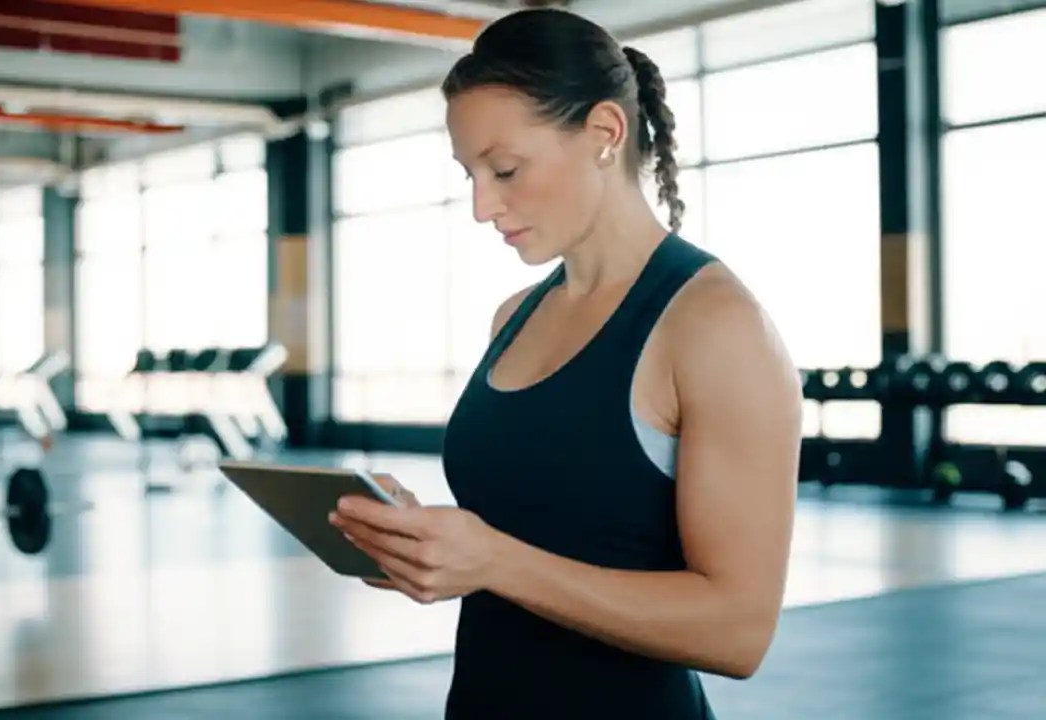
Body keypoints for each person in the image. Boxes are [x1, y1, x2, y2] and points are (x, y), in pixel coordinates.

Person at [330, 8, 802, 719]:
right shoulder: (513, 316)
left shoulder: (716, 327)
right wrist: (421, 544)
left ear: (605, 134)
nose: (483, 205)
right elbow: (534, 529)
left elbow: (739, 631)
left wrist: (493, 561)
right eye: (471, 174)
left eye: (506, 169)